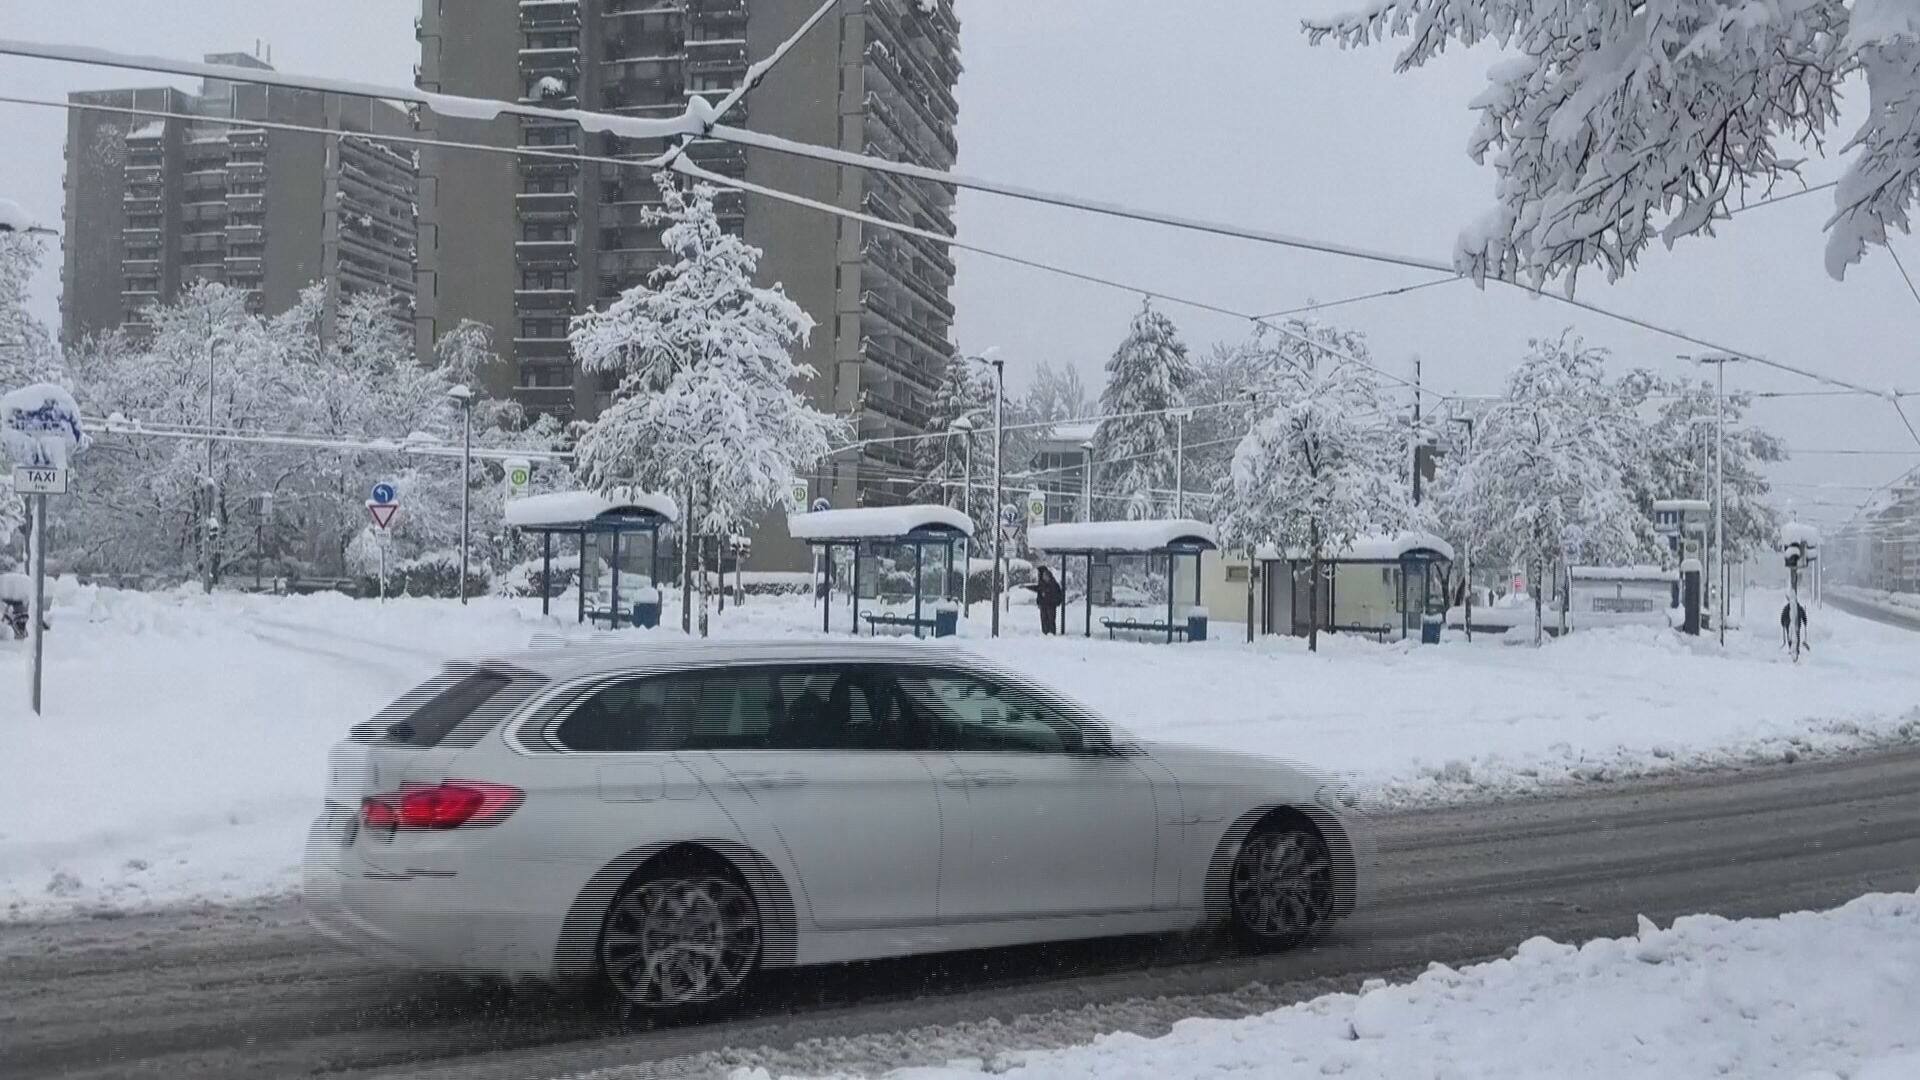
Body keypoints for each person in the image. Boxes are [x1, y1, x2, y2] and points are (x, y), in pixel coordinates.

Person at [1023, 566, 1065, 635]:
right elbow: (1037, 588)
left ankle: (1051, 633)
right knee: (1044, 619)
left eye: (1044, 576)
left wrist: (1046, 594)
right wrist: (1027, 587)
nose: (1041, 576)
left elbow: (1056, 593)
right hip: (1043, 605)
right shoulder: (1042, 583)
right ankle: (1045, 633)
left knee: (1050, 620)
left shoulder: (1053, 584)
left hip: (1050, 605)